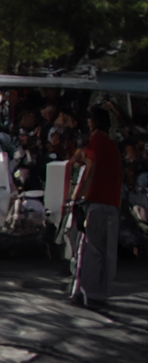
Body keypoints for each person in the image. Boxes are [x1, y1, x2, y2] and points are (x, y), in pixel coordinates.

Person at [70, 107, 121, 308]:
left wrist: (77, 195)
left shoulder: (96, 142)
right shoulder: (112, 145)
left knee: (90, 249)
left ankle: (85, 293)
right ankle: (100, 294)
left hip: (97, 200)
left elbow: (89, 166)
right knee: (106, 251)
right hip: (112, 202)